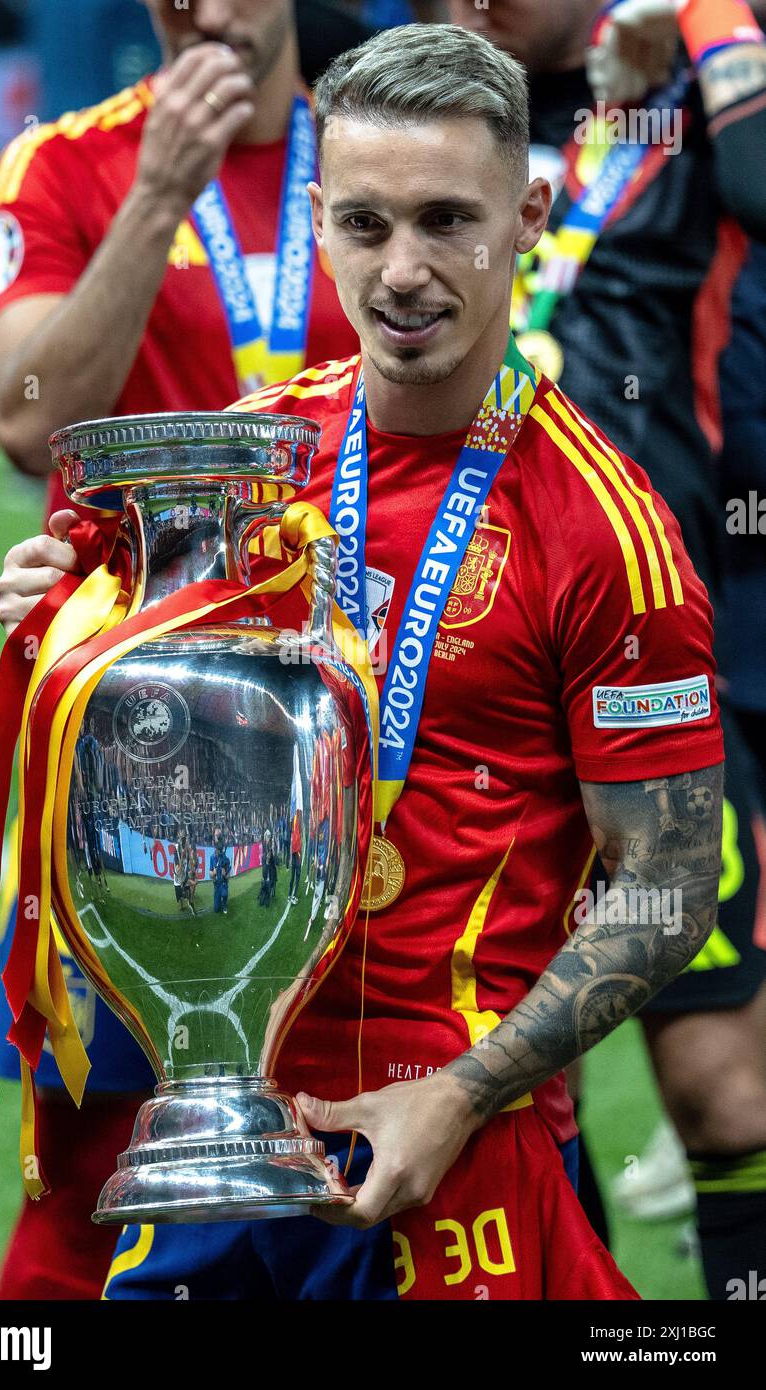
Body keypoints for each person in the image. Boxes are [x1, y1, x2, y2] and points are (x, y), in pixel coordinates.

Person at [0, 22, 725, 1300]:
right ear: (319, 217)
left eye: (447, 219)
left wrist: (459, 1093)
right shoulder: (235, 463)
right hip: (222, 1135)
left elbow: (666, 885)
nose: (403, 271)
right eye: (365, 224)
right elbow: (137, 723)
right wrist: (60, 612)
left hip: (459, 1170)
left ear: (530, 214)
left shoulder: (608, 530)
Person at [0, 0, 368, 1301]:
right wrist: (157, 198)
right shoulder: (65, 163)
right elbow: (27, 422)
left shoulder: (380, 161)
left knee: (380, 1113)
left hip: (351, 717)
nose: (202, 10)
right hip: (128, 736)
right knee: (104, 1142)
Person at [446, 0, 766, 1298]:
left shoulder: (688, 88)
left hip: (665, 650)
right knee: (508, 1073)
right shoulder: (446, 106)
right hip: (476, 656)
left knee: (722, 1091)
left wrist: (707, 23)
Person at [211, 827, 231, 915]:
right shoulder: (212, 857)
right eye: (216, 835)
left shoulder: (225, 859)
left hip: (223, 884)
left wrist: (225, 874)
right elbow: (210, 874)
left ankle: (224, 903)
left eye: (218, 835)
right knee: (216, 909)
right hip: (216, 885)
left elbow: (228, 876)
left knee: (224, 894)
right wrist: (214, 873)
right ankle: (219, 900)